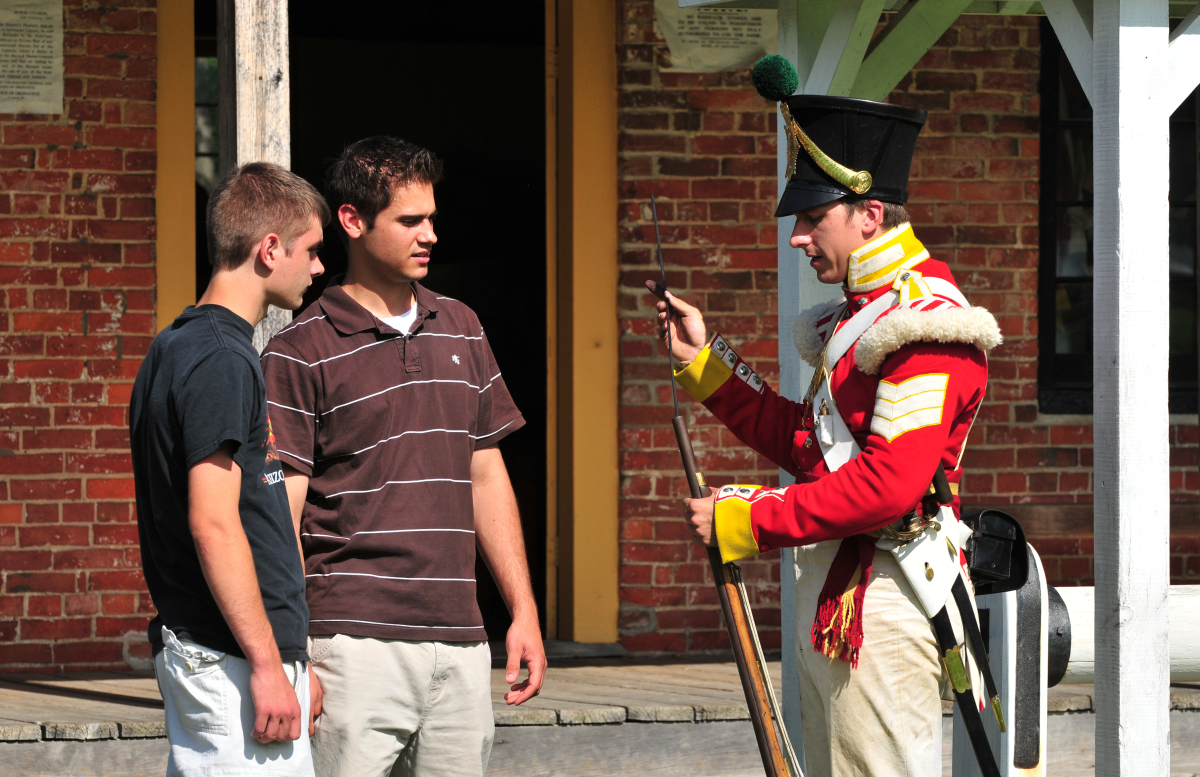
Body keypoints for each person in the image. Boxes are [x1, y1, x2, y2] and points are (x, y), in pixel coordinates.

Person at [654, 82, 1003, 776]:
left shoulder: (924, 323)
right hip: (843, 607)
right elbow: (816, 449)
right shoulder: (863, 315)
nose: (797, 236)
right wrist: (706, 364)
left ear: (870, 214)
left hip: (885, 603)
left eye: (814, 217)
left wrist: (747, 518)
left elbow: (887, 488)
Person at [260, 136, 546, 777]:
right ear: (353, 222)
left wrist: (521, 610)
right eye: (410, 220)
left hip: (462, 639)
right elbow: (282, 512)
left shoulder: (463, 327)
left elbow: (486, 473)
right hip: (351, 645)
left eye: (432, 219)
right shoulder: (298, 352)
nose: (431, 236)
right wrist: (288, 657)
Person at [130, 162, 329, 776]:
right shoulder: (221, 358)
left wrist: (293, 659)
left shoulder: (179, 345)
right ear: (270, 249)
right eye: (313, 250)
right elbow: (214, 523)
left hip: (237, 657)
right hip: (231, 665)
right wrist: (269, 668)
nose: (321, 268)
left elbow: (255, 514)